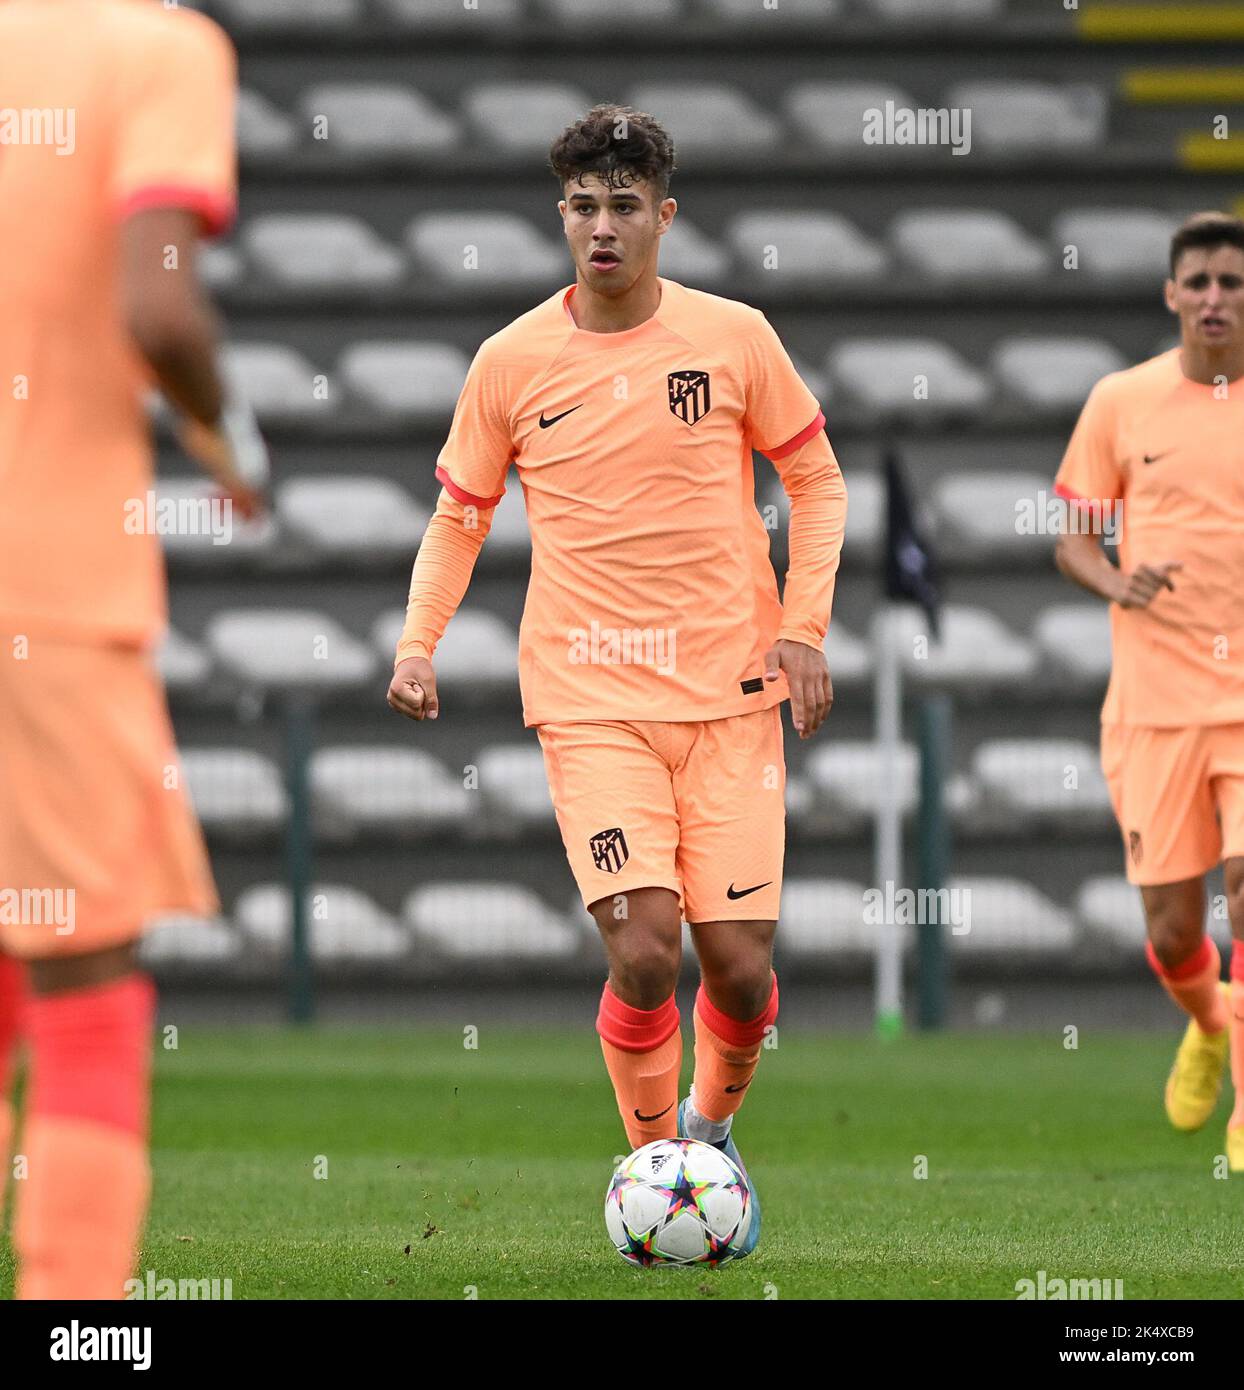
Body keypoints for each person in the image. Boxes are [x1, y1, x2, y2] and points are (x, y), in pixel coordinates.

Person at [388, 104, 847, 1254]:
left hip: (732, 698)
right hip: (589, 699)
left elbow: (817, 479)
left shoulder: (734, 336)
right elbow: (458, 514)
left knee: (738, 974)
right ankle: (654, 1168)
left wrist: (804, 626)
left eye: (623, 206)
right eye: (583, 206)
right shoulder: (509, 360)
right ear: (562, 217)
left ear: (662, 217)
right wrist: (415, 641)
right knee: (645, 947)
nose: (602, 226)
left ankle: (704, 1132)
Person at [0, 0, 264, 1297]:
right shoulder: (158, 49)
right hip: (37, 587)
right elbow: (160, 308)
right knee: (84, 967)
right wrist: (231, 440)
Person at [1053, 211, 1244, 1164]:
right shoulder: (1120, 402)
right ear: (1172, 293)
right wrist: (1112, 577)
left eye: (1232, 282)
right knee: (1175, 931)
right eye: (1199, 281)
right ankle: (1208, 1022)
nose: (1215, 297)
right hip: (1154, 708)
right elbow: (1072, 537)